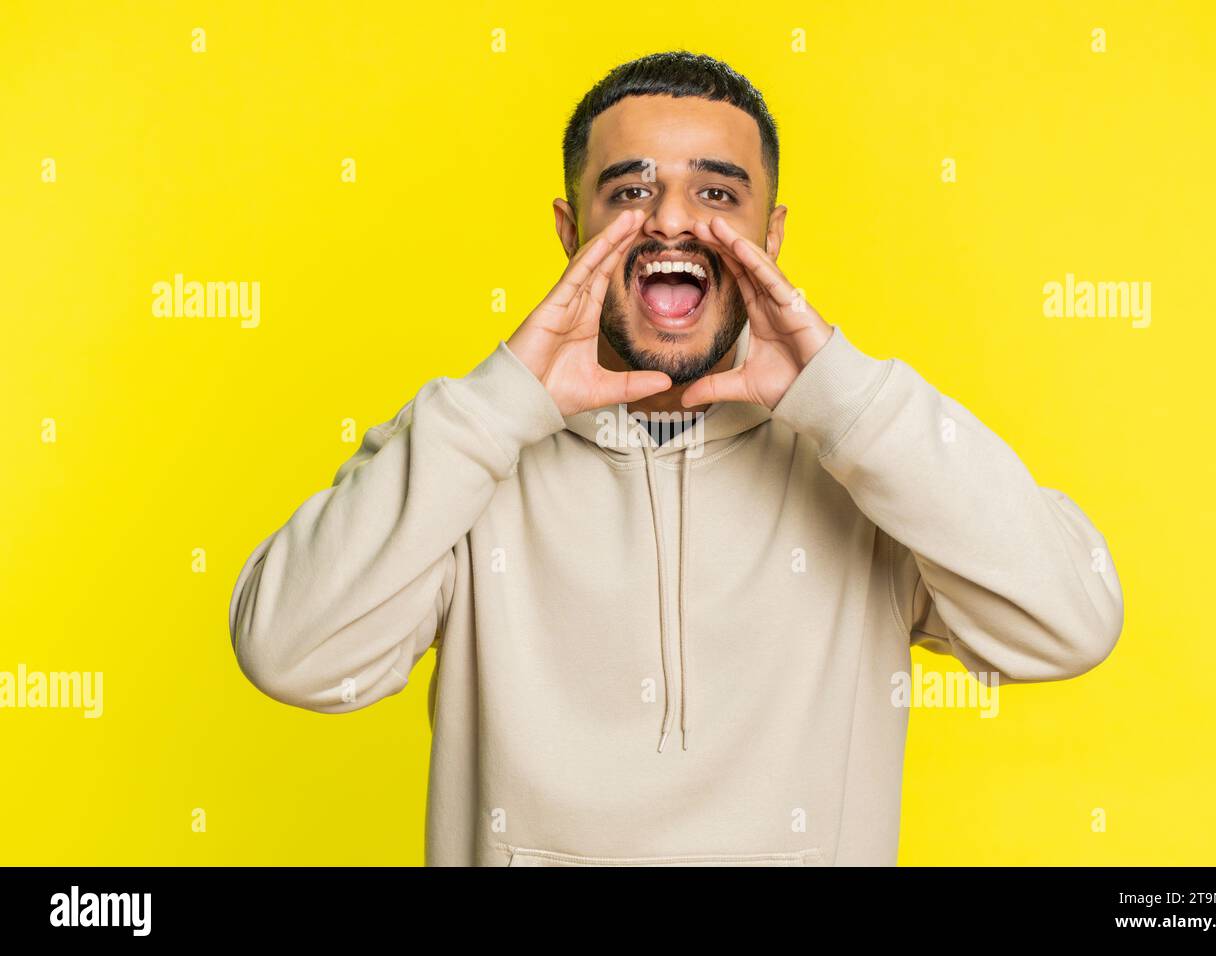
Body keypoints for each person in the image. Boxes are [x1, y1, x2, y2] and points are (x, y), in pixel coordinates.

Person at [228, 51, 1124, 866]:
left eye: (717, 194)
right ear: (569, 230)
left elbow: (1069, 625)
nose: (670, 221)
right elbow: (291, 655)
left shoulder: (866, 469)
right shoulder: (468, 456)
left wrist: (847, 398)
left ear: (769, 238)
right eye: (627, 193)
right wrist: (499, 403)